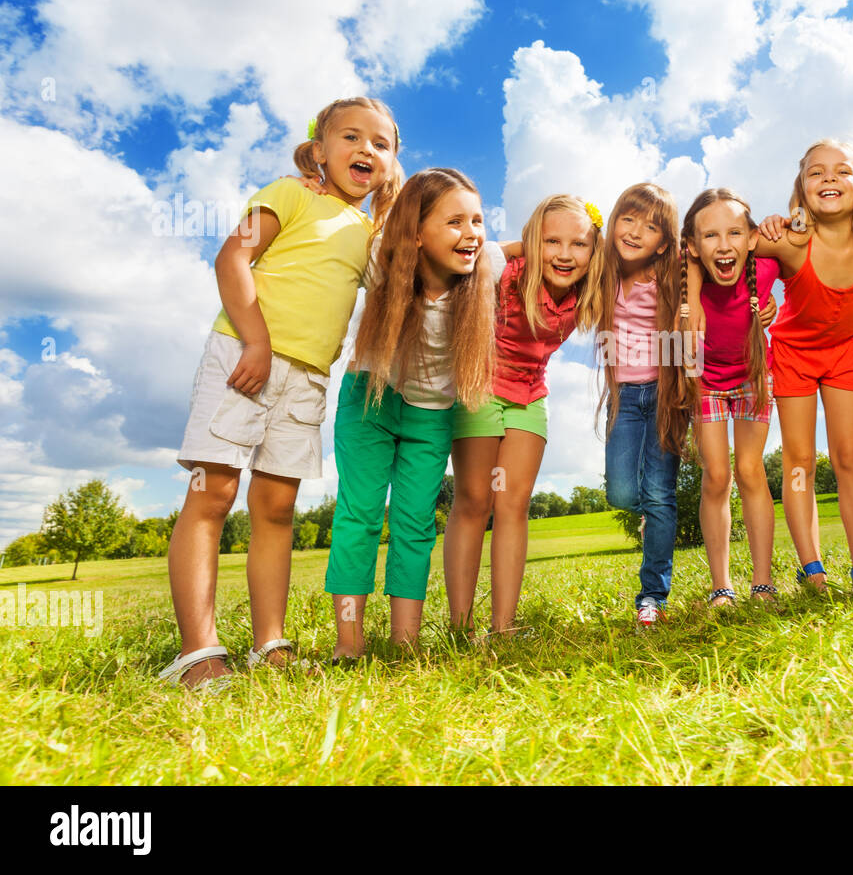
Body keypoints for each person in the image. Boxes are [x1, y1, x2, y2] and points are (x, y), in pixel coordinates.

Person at [162, 97, 401, 688]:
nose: (365, 150)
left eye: (381, 143)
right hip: (245, 357)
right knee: (212, 493)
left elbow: (408, 280)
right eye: (351, 137)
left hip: (308, 380)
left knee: (275, 509)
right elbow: (231, 257)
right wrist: (257, 341)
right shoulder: (289, 193)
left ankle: (270, 641)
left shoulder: (370, 233)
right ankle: (199, 651)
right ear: (319, 151)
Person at [326, 169, 501, 662]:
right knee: (359, 515)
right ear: (417, 235)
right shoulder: (383, 264)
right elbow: (353, 218)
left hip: (432, 415)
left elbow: (525, 245)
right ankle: (349, 641)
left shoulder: (487, 261)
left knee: (415, 523)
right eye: (454, 223)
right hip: (370, 399)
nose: (471, 233)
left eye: (477, 220)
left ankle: (406, 642)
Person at [442, 195, 601, 638]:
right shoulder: (507, 273)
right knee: (475, 499)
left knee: (513, 503)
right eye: (552, 241)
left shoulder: (588, 291)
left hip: (530, 394)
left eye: (579, 244)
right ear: (532, 242)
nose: (565, 254)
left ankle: (504, 626)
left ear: (595, 252)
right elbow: (473, 256)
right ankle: (461, 627)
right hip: (479, 383)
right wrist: (517, 249)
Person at [757, 140, 853, 592]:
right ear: (802, 188)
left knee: (850, 457)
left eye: (842, 172)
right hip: (793, 354)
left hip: (844, 352)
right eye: (816, 173)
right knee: (800, 461)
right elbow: (733, 254)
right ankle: (812, 569)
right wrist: (761, 299)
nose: (829, 178)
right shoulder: (790, 241)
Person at [593, 183, 690, 626]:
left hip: (666, 396)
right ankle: (655, 515)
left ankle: (653, 596)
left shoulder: (670, 276)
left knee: (659, 494)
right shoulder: (601, 270)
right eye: (628, 219)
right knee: (622, 492)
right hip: (626, 398)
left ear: (664, 242)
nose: (635, 232)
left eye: (650, 227)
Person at [679, 189, 779, 606]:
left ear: (752, 238)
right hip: (705, 382)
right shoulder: (685, 278)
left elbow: (804, 235)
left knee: (751, 470)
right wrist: (690, 282)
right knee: (717, 475)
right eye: (711, 236)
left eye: (735, 233)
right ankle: (721, 586)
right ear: (693, 246)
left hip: (754, 377)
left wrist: (788, 221)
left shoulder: (767, 266)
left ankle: (763, 583)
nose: (724, 246)